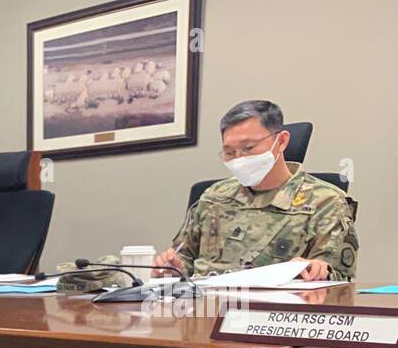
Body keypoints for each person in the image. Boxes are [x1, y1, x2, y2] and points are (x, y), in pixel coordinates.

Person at [153, 100, 359, 281]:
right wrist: (174, 268)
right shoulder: (213, 197)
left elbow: (339, 280)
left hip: (272, 317)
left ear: (282, 141)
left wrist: (315, 270)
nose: (239, 158)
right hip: (203, 310)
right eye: (229, 152)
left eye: (249, 148)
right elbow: (184, 257)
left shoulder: (326, 202)